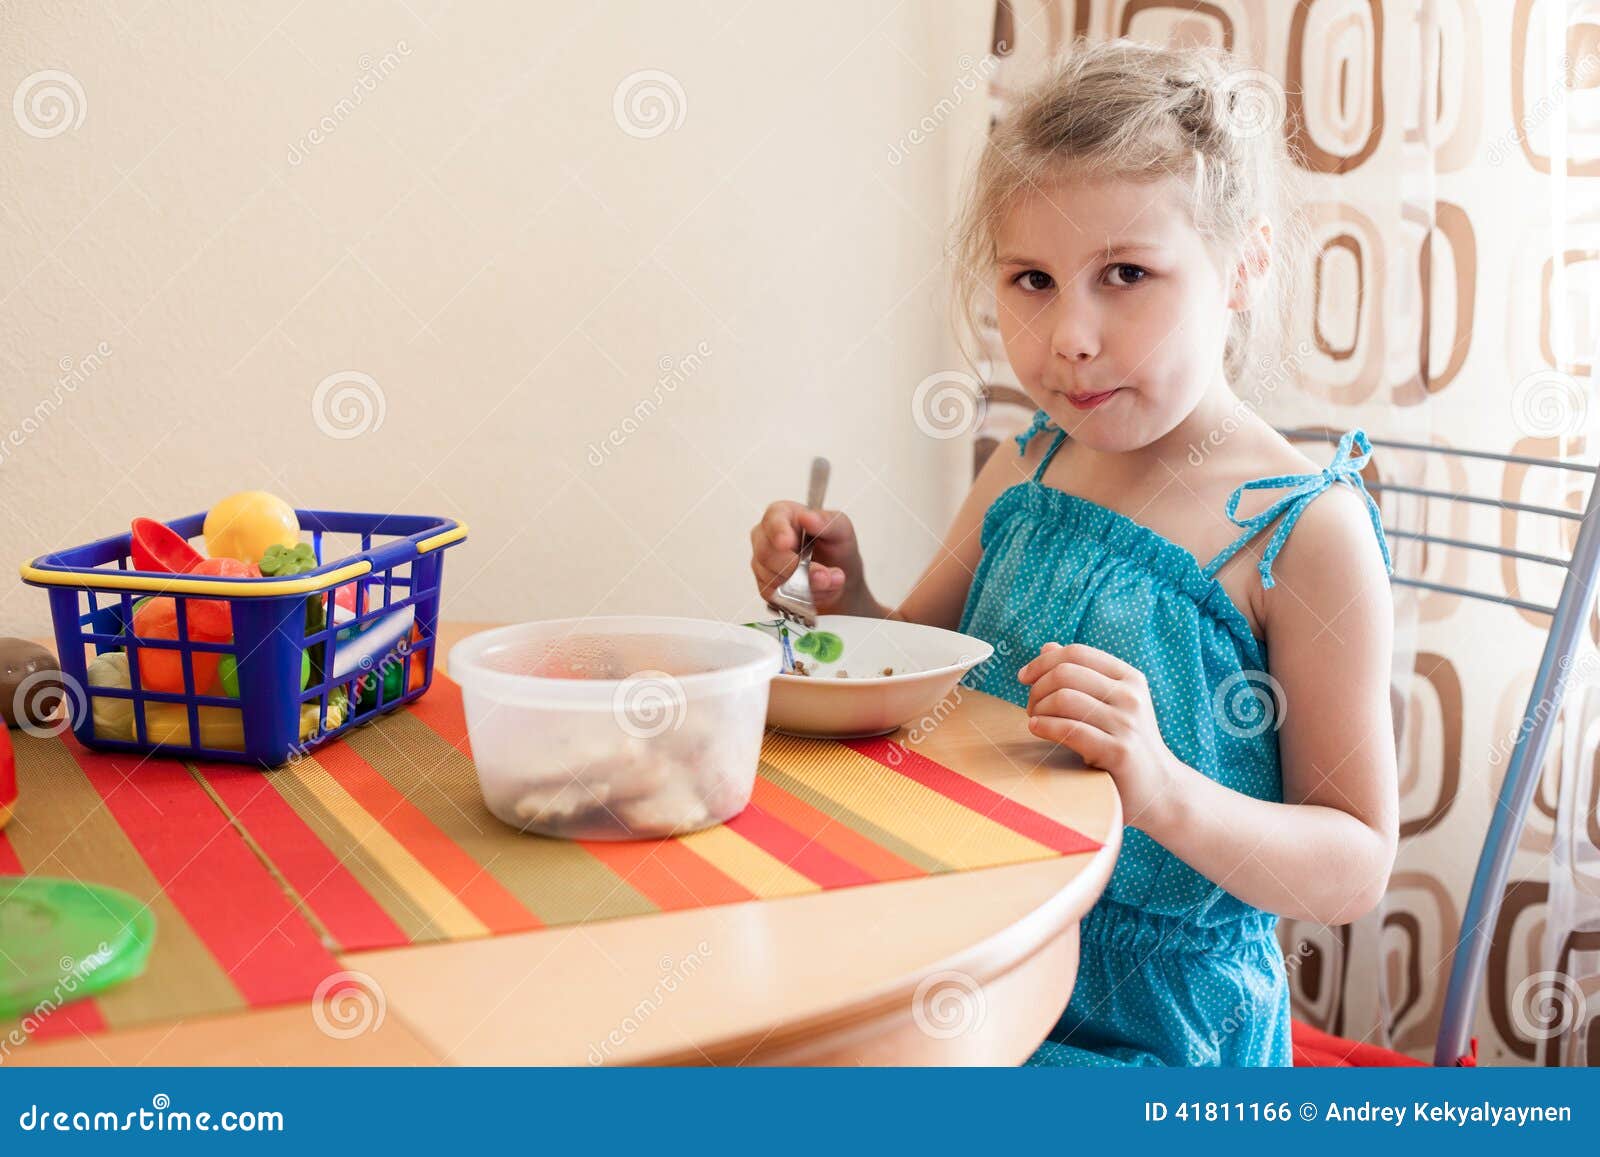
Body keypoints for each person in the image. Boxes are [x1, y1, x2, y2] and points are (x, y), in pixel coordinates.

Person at [749, 38, 1398, 1066]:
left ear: (1244, 266)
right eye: (1032, 280)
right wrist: (842, 598)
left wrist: (1163, 788)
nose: (1070, 336)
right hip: (973, 953)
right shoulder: (1029, 464)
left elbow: (1353, 863)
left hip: (1150, 1036)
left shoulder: (1301, 533)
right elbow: (921, 672)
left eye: (1126, 274)